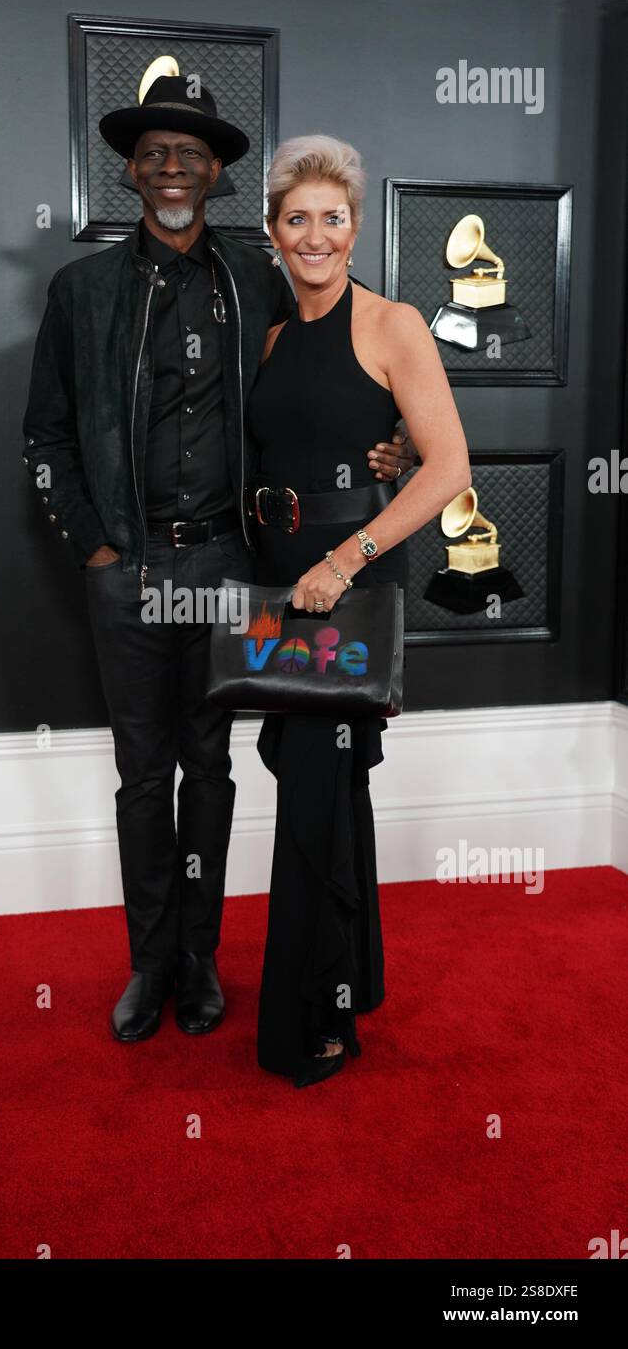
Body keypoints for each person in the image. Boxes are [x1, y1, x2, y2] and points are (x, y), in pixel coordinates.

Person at [22, 79, 417, 1045]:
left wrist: (391, 445)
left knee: (210, 766)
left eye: (190, 153)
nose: (171, 168)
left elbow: (327, 385)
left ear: (218, 173)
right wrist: (100, 546)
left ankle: (200, 960)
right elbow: (45, 438)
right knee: (141, 771)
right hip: (132, 571)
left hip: (234, 568)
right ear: (128, 167)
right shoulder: (83, 292)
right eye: (155, 151)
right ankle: (147, 963)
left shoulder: (259, 278)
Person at [246, 135, 471, 1087]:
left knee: (313, 792)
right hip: (276, 588)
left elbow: (451, 469)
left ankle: (313, 1023)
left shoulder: (395, 325)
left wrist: (345, 559)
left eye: (332, 219)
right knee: (325, 794)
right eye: (296, 219)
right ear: (272, 233)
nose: (315, 236)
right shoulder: (269, 338)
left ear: (355, 227)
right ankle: (353, 979)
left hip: (347, 586)